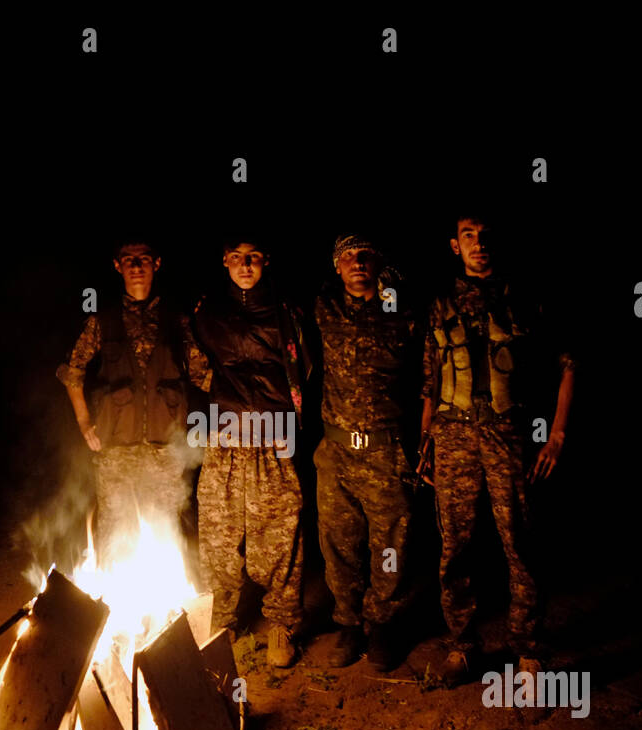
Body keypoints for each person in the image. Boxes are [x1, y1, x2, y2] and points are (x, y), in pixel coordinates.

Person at [420, 213, 576, 685]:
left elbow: (568, 365)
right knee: (454, 548)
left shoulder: (527, 299)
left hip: (509, 435)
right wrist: (425, 437)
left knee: (519, 544)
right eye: (468, 236)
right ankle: (463, 646)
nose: (478, 244)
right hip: (452, 437)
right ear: (455, 245)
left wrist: (557, 434)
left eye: (486, 236)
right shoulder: (440, 302)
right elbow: (429, 377)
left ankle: (529, 651)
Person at [192, 237, 311, 667]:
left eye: (254, 258)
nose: (245, 265)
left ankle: (282, 623)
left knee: (279, 534)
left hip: (273, 436)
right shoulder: (207, 312)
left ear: (265, 261)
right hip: (224, 436)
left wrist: (288, 420)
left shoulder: (286, 312)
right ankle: (223, 621)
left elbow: (305, 370)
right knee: (219, 536)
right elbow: (196, 365)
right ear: (224, 261)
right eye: (237, 258)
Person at [56, 238, 210, 568]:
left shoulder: (177, 320)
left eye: (143, 259)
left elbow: (202, 375)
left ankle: (164, 609)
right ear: (117, 266)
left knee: (167, 528)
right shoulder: (104, 319)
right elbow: (73, 372)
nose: (136, 267)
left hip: (165, 448)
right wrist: (84, 422)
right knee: (114, 533)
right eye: (129, 260)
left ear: (157, 263)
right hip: (115, 449)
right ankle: (114, 606)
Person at [312, 234, 419, 670]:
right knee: (338, 544)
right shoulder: (323, 310)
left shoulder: (402, 312)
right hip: (336, 451)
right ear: (336, 267)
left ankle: (382, 628)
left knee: (390, 545)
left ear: (379, 264)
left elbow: (426, 371)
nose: (357, 263)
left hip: (385, 450)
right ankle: (349, 625)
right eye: (348, 257)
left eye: (366, 256)